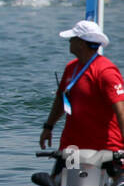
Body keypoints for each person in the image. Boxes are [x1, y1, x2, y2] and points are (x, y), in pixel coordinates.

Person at [41, 20, 124, 152]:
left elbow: (121, 112)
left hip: (105, 150)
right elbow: (61, 101)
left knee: (98, 174)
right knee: (64, 173)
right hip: (72, 149)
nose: (69, 41)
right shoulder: (71, 68)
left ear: (81, 43)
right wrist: (48, 127)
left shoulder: (106, 72)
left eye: (73, 38)